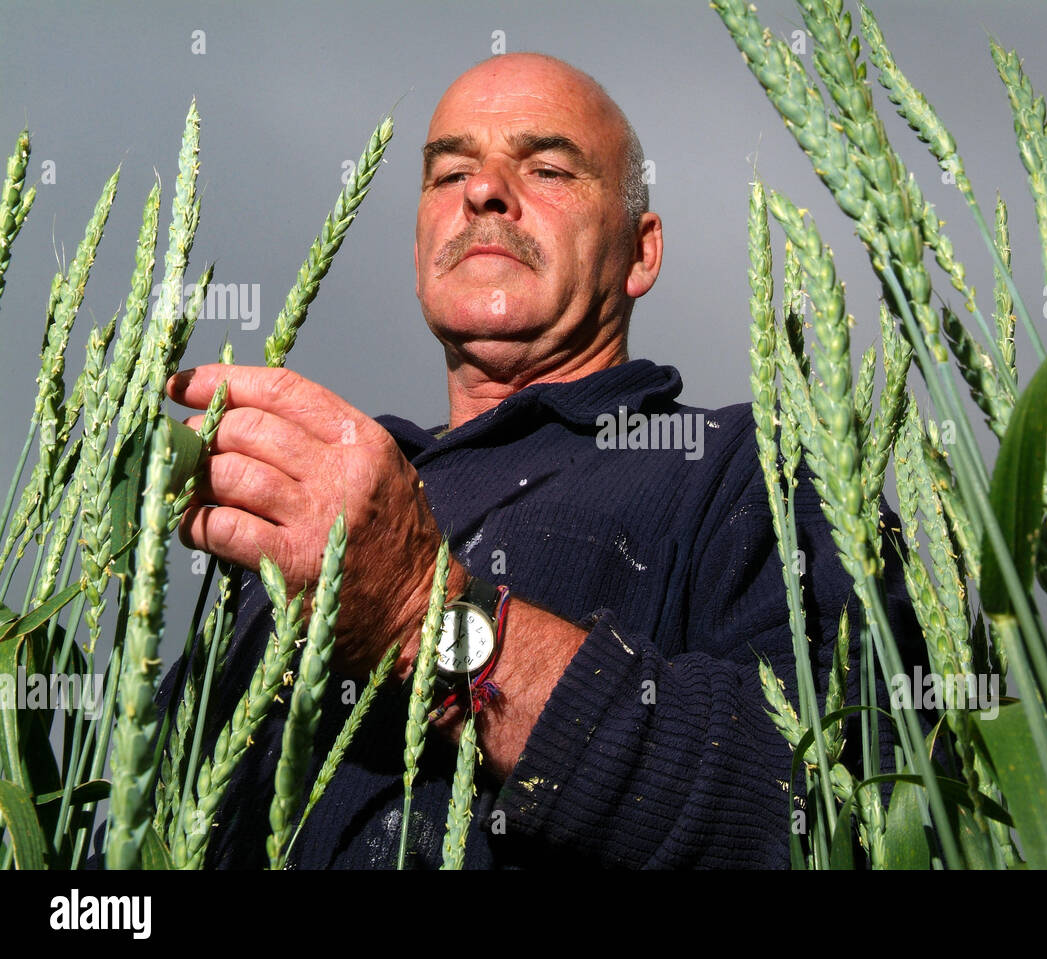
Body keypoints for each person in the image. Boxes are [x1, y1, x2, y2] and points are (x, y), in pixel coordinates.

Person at [160, 51, 932, 868]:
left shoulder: (751, 469)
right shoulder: (318, 494)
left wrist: (422, 614)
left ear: (641, 252)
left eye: (549, 169)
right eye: (449, 172)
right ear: (419, 245)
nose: (483, 191)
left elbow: (854, 805)